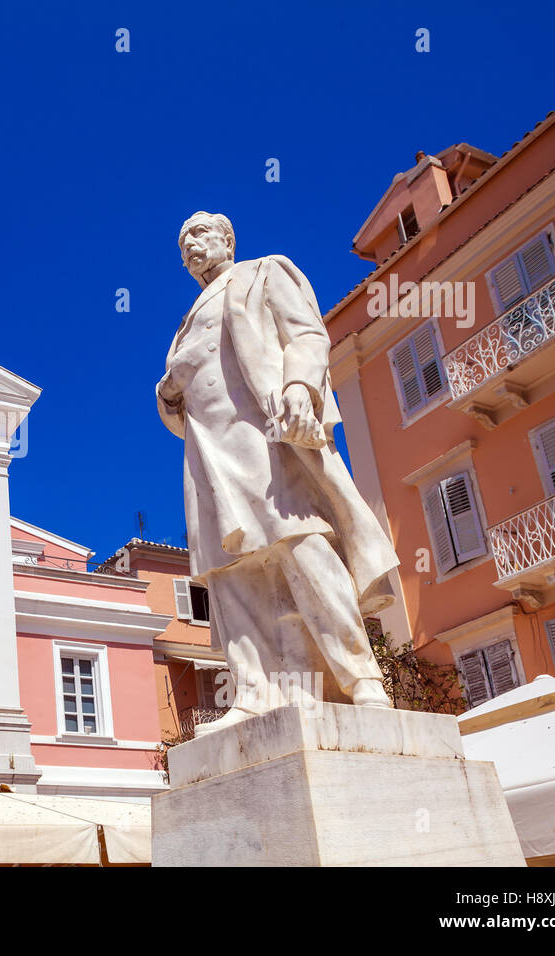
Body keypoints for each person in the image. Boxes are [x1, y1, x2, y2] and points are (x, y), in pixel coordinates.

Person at [156, 212, 398, 732]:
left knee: (302, 543)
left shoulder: (265, 272)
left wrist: (299, 389)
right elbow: (180, 386)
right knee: (228, 570)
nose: (190, 247)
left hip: (264, 435)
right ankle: (254, 692)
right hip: (207, 451)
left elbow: (307, 335)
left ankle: (362, 679)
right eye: (182, 244)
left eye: (199, 235)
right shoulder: (183, 323)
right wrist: (167, 391)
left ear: (227, 238)